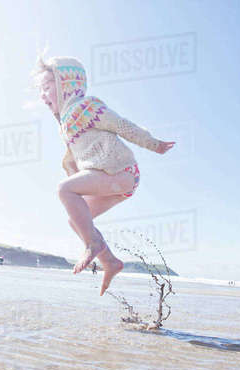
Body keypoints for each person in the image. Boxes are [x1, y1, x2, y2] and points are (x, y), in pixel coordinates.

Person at [33, 52, 175, 296]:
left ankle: (93, 244)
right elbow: (75, 156)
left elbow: (121, 125)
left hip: (120, 172)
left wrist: (154, 144)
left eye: (47, 87)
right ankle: (110, 261)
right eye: (40, 90)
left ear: (66, 86)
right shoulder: (65, 124)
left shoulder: (86, 107)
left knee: (65, 190)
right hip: (110, 180)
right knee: (77, 219)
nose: (42, 95)